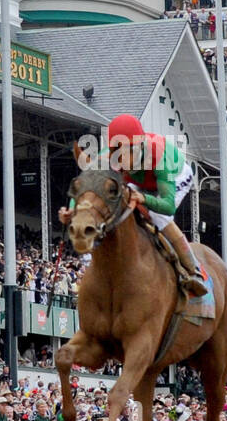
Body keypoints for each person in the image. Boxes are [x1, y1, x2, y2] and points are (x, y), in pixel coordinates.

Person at [63, 112, 204, 297]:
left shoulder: (159, 159)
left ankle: (193, 270)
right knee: (116, 200)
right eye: (117, 153)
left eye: (127, 152)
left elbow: (168, 205)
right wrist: (73, 210)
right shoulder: (108, 157)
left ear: (139, 147)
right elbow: (87, 185)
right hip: (140, 180)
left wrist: (144, 199)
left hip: (174, 177)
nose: (121, 160)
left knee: (158, 216)